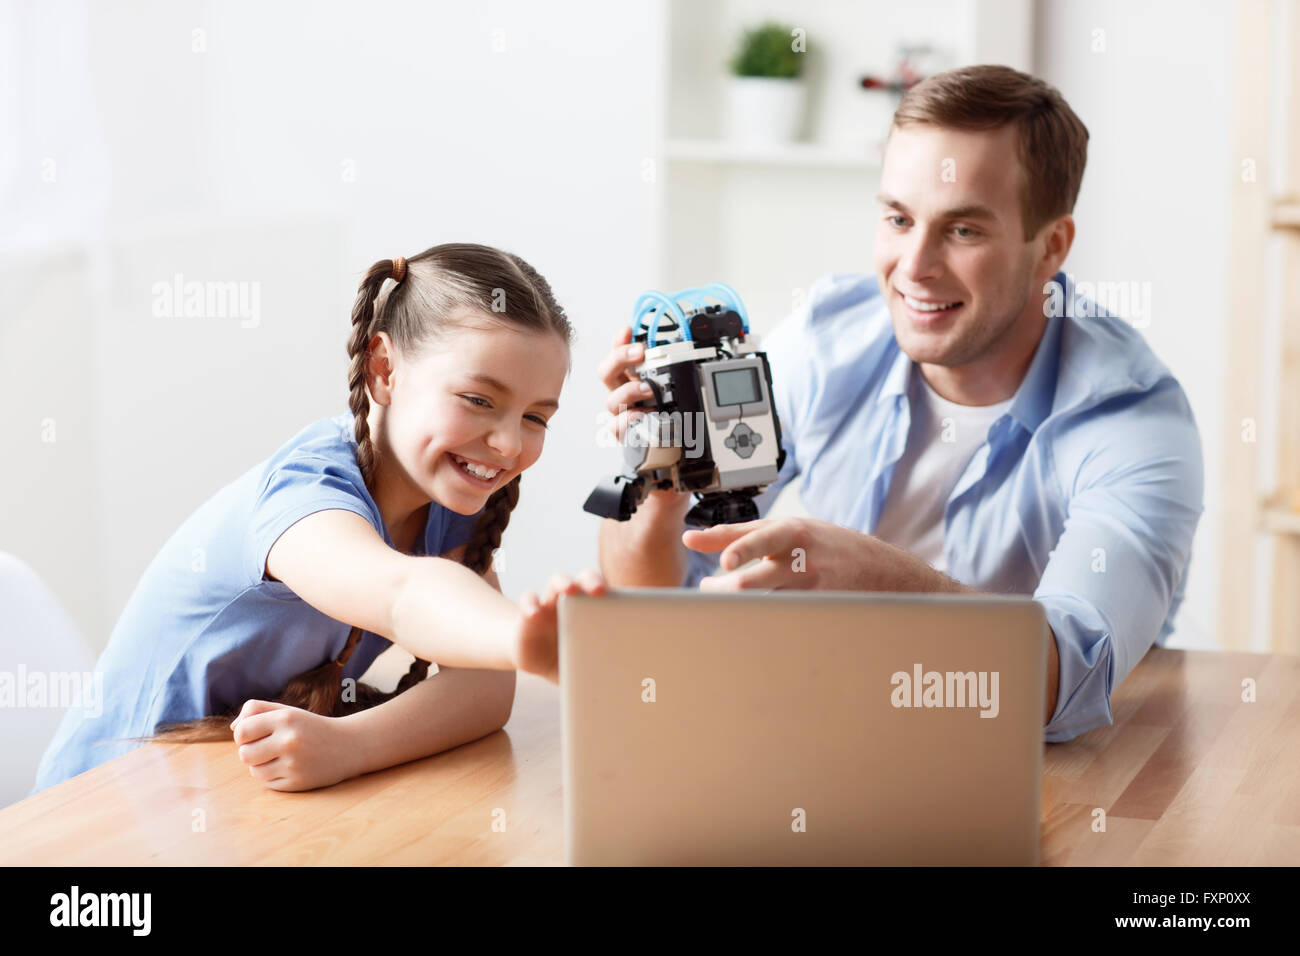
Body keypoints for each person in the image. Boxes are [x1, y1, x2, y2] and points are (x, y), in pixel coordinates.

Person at [597, 65, 1203, 742]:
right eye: (897, 218)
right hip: (835, 725)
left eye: (964, 231)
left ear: (1050, 248)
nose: (914, 266)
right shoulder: (826, 342)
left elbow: (1067, 680)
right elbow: (653, 604)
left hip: (1051, 775)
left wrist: (886, 586)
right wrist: (657, 485)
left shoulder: (1132, 418)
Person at [32, 243, 605, 795]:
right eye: (479, 400)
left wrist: (349, 745)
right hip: (109, 802)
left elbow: (483, 685)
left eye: (536, 417)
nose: (508, 444)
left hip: (234, 796)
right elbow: (401, 596)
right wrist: (517, 634)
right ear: (384, 370)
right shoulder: (306, 492)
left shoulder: (446, 505)